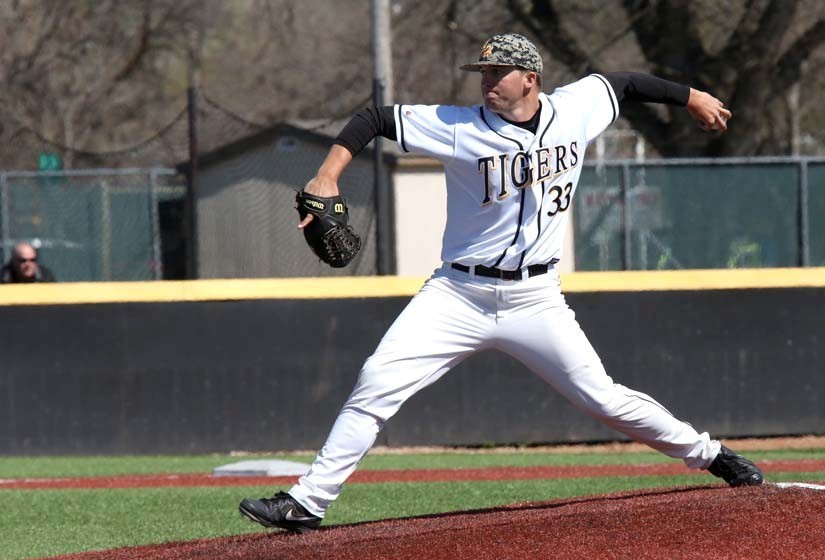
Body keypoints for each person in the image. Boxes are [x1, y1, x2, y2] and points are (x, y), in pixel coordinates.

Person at [240, 33, 763, 533]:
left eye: (498, 70)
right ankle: (307, 503)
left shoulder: (574, 109)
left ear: (530, 78)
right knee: (376, 380)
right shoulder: (456, 125)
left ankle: (712, 454)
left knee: (604, 399)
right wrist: (327, 175)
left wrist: (691, 96)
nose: (487, 79)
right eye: (482, 70)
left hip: (536, 299)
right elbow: (374, 118)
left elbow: (622, 83)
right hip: (456, 295)